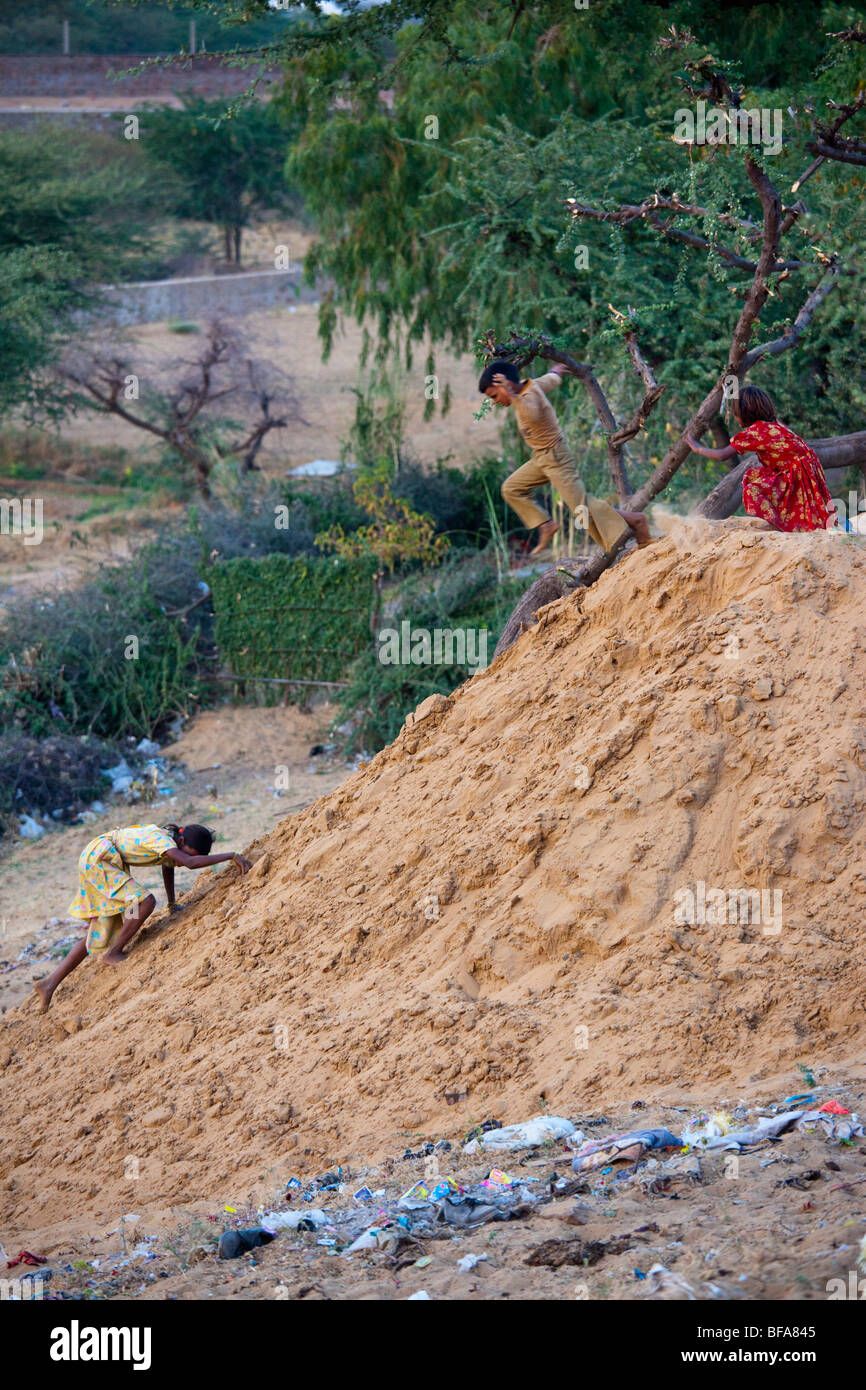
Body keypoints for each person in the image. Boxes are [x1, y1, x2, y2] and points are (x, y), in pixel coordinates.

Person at [34, 823, 251, 1011]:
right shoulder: (161, 839)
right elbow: (189, 863)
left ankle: (50, 983)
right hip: (100, 859)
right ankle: (113, 953)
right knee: (146, 901)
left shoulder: (170, 845)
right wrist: (231, 855)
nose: (183, 860)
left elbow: (169, 868)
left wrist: (173, 903)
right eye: (188, 853)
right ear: (181, 840)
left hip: (102, 859)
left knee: (105, 925)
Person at [479, 360, 651, 556]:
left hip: (556, 458)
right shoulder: (531, 385)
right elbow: (548, 381)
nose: (495, 401)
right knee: (511, 488)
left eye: (494, 395)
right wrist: (556, 371)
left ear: (506, 384)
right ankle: (546, 524)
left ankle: (635, 523)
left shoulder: (528, 396)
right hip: (541, 458)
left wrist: (513, 396)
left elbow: (532, 412)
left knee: (582, 510)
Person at [686, 385, 835, 532]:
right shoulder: (775, 425)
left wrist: (698, 448)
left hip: (797, 474)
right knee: (757, 475)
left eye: (735, 413)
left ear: (743, 414)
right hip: (808, 471)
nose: (734, 416)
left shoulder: (756, 432)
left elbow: (723, 455)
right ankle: (788, 523)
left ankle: (777, 525)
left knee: (752, 488)